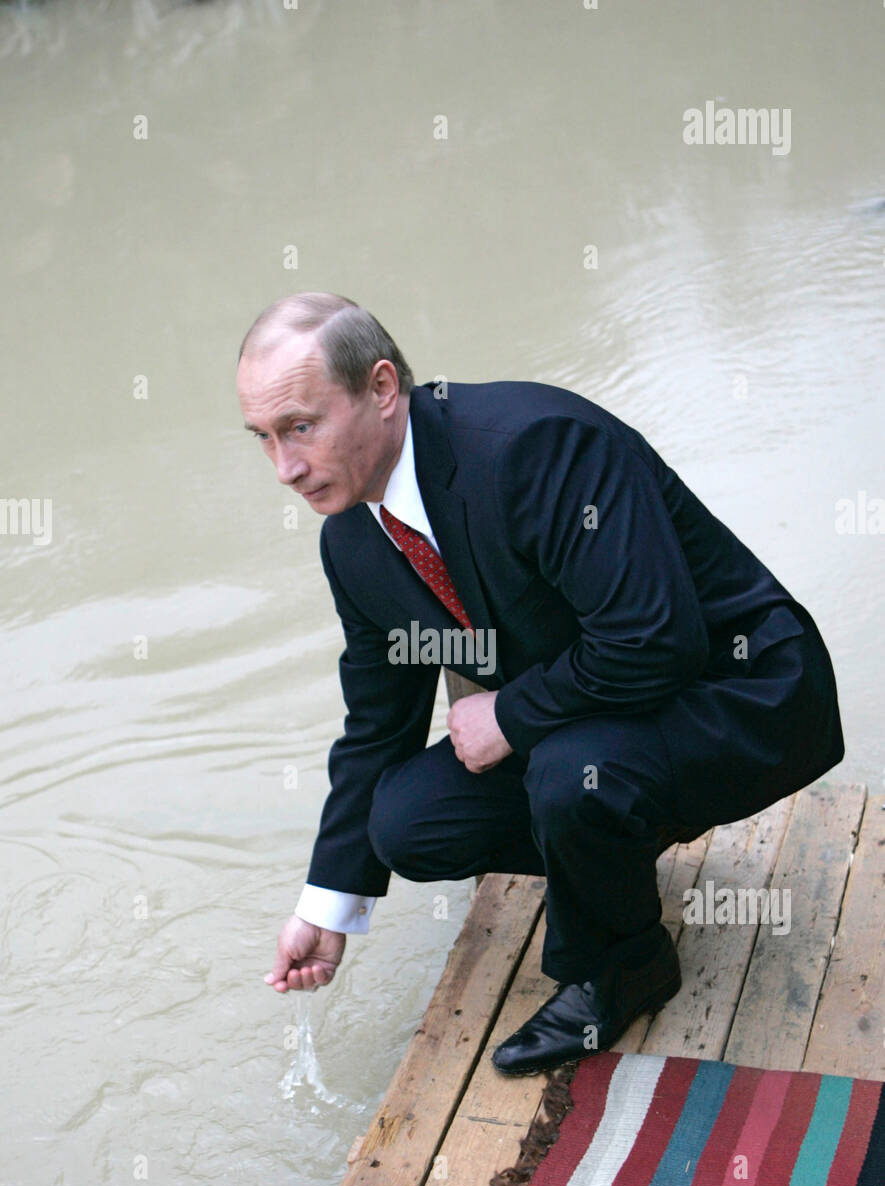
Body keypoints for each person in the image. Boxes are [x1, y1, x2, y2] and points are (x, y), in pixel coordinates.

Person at [236, 292, 844, 1076]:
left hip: (737, 689)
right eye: (263, 438)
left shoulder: (536, 448)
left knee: (570, 775)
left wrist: (511, 717)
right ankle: (611, 848)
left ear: (381, 388)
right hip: (599, 708)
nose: (283, 468)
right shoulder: (352, 541)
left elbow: (654, 640)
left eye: (301, 427)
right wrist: (326, 907)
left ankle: (624, 966)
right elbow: (377, 725)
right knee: (407, 820)